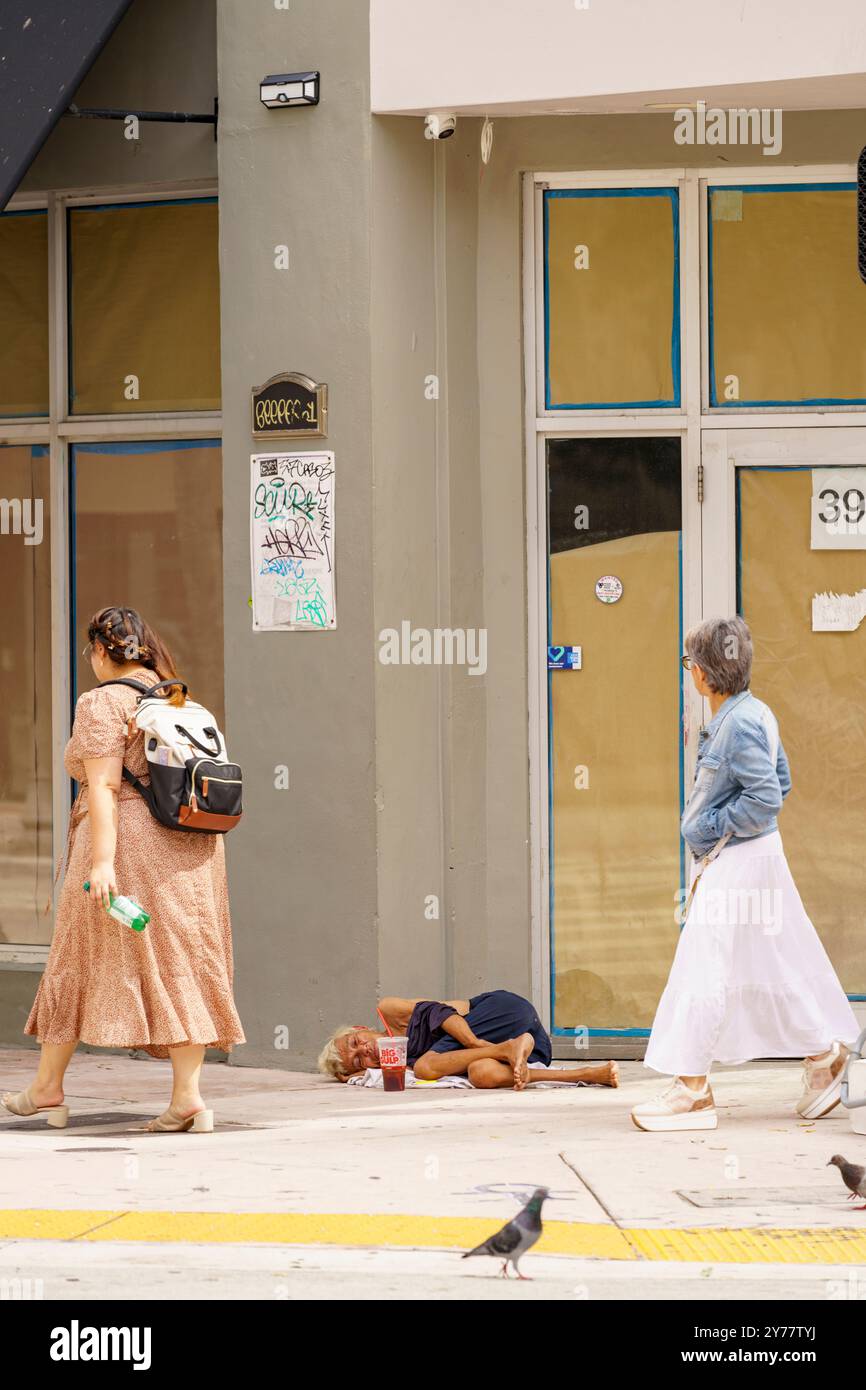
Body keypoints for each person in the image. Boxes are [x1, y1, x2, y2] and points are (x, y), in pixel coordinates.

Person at [1, 606, 245, 1134]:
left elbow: (106, 785)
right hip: (193, 849)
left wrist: (103, 862)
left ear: (102, 651)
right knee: (184, 958)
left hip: (128, 845)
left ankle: (47, 1088)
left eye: (91, 651)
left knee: (76, 955)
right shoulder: (178, 697)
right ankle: (188, 1099)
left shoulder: (101, 702)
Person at [631, 616, 858, 1133]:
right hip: (754, 858)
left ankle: (692, 1091)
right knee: (774, 960)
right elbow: (782, 780)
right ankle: (826, 1061)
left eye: (689, 662)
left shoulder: (739, 724)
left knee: (702, 964)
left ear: (704, 676)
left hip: (739, 860)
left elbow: (767, 797)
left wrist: (706, 826)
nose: (688, 670)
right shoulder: (755, 713)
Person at [318, 988, 619, 1089]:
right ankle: (589, 1074)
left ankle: (509, 1047)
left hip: (500, 1013)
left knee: (426, 1067)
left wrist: (474, 1043)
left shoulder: (391, 1012)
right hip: (534, 1040)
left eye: (356, 1041)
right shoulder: (394, 1067)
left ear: (360, 1027)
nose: (365, 1050)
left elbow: (450, 1011)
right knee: (482, 1074)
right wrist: (356, 1074)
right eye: (359, 1059)